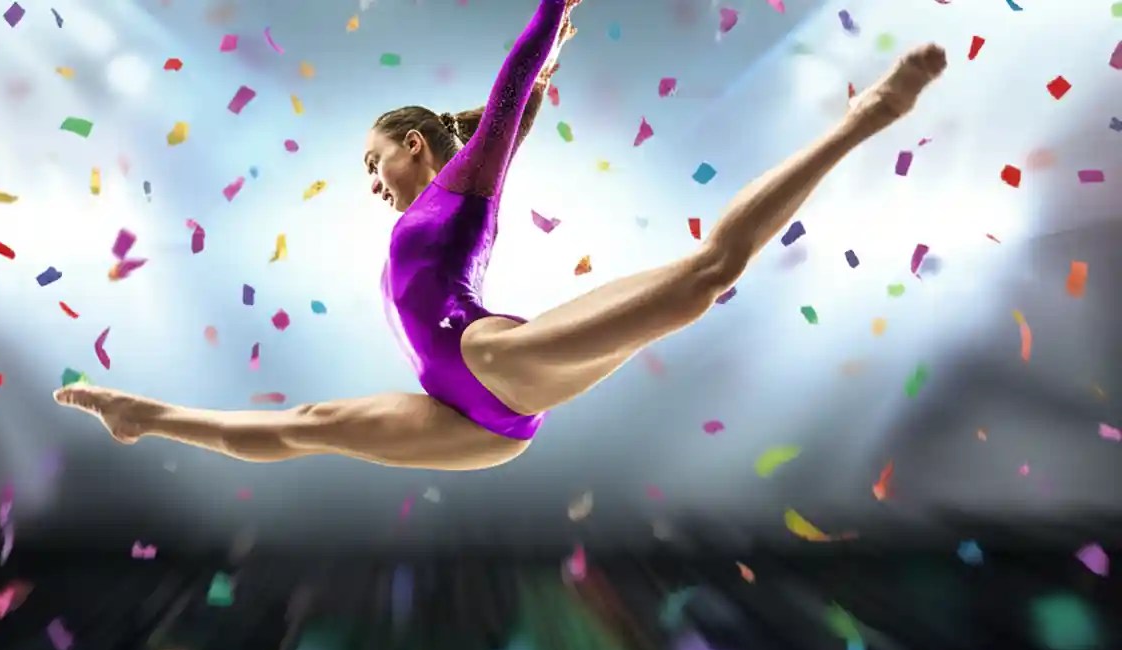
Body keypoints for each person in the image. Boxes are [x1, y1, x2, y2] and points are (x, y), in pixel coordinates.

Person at [55, 0, 947, 472]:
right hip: (471, 421)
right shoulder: (438, 204)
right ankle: (144, 416)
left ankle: (868, 115)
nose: (372, 185)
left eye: (375, 164)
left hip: (487, 365)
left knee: (703, 277)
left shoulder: (455, 189)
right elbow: (526, 100)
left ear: (416, 145)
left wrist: (554, 10)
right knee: (309, 426)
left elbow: (518, 80)